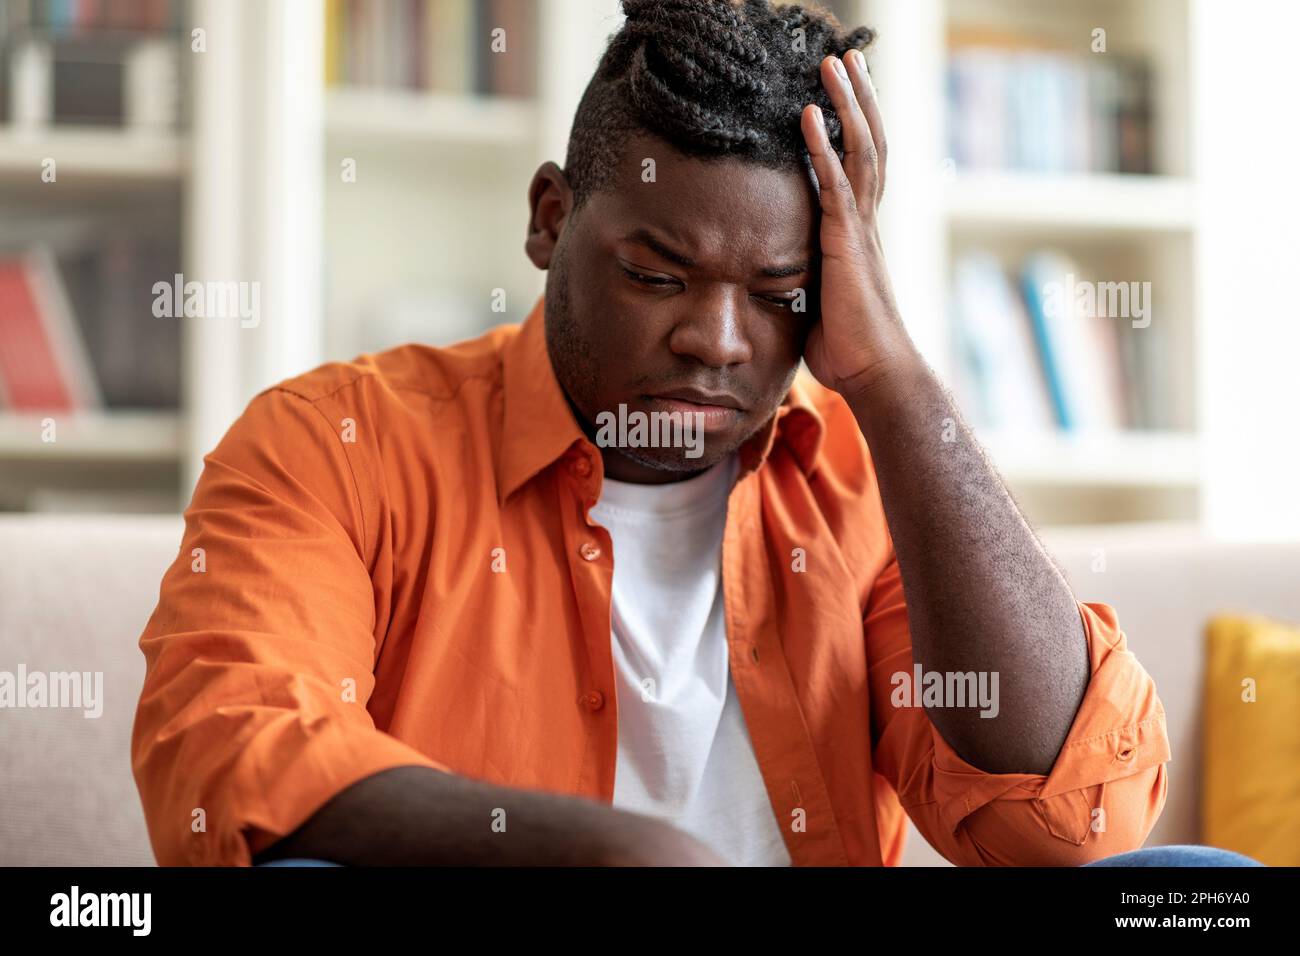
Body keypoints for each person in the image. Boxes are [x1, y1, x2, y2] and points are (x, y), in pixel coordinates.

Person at [132, 0, 1229, 867]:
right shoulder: (335, 441)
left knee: (1193, 888)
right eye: (656, 273)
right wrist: (617, 852)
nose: (715, 338)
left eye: (779, 290)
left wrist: (889, 379)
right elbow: (233, 747)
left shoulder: (859, 488)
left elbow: (1067, 822)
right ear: (550, 218)